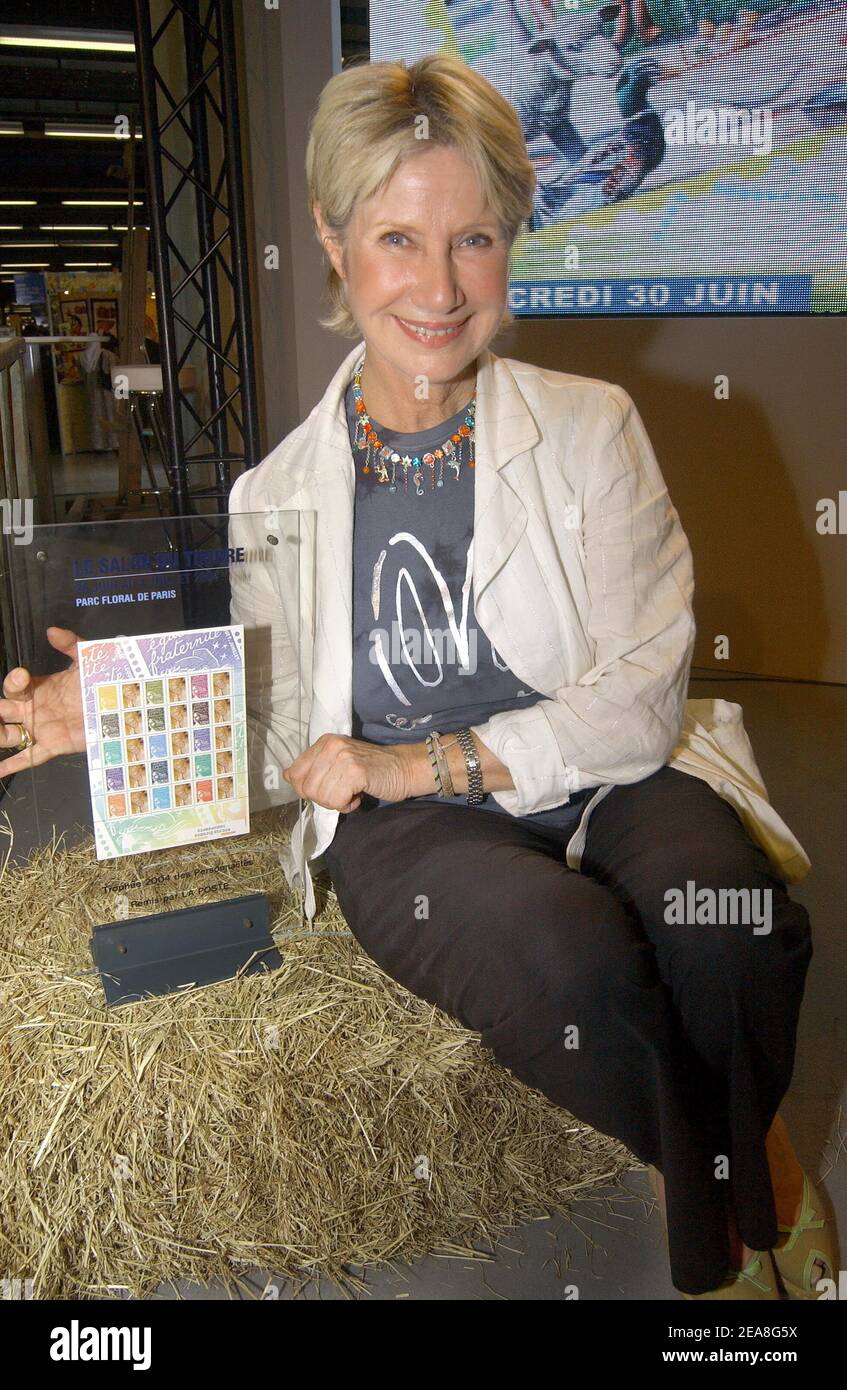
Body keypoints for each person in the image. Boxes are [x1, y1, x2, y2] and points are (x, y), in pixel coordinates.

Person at [0, 54, 833, 1302]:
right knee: (569, 957)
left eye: (474, 240)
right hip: (404, 830)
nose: (438, 289)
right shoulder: (272, 495)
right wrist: (120, 702)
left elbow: (642, 693)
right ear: (332, 244)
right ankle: (721, 1175)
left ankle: (720, 1125)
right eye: (397, 238)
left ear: (511, 246)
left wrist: (424, 754)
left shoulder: (591, 425)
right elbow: (284, 720)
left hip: (598, 768)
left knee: (737, 920)